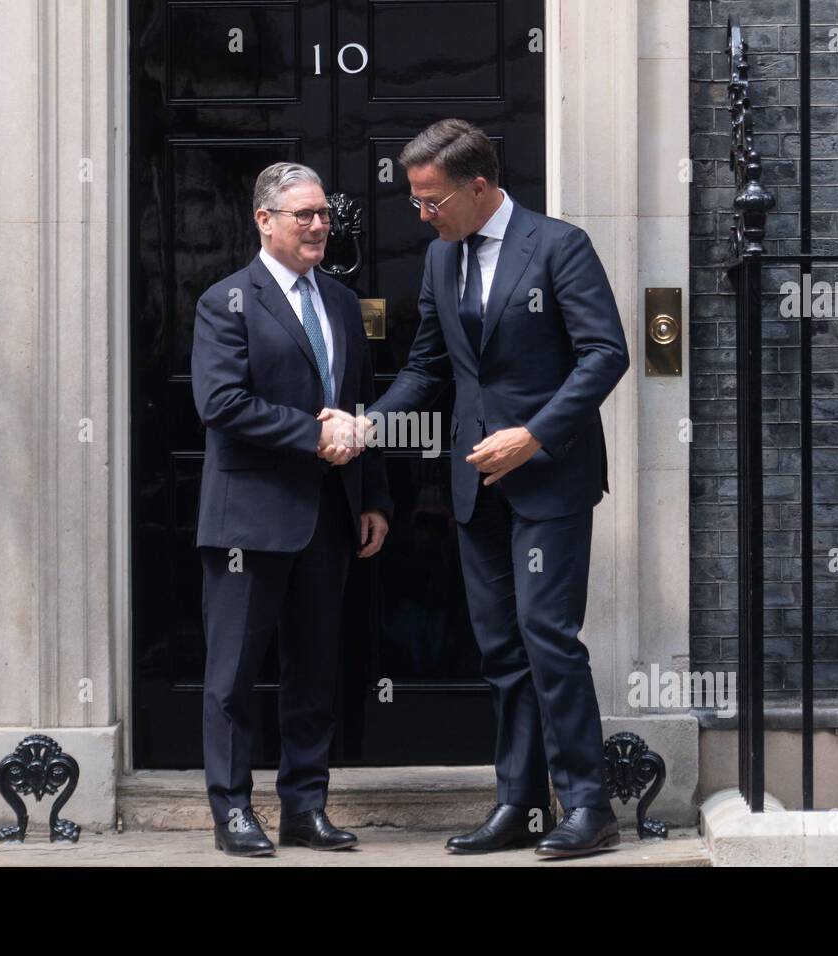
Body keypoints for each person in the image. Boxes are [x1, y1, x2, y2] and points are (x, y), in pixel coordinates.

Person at [367, 119, 630, 857]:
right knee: (501, 651)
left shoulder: (558, 246)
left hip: (547, 479)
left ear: (478, 186)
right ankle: (519, 802)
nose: (422, 213)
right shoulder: (438, 259)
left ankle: (588, 805)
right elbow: (427, 368)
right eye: (417, 201)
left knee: (548, 637)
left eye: (431, 199)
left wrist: (534, 435)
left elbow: (606, 354)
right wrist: (365, 426)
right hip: (473, 487)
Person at [191, 161, 391, 857]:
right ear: (264, 220)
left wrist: (372, 499)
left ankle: (305, 808)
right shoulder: (226, 301)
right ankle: (233, 812)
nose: (318, 225)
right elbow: (220, 403)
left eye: (324, 215)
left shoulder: (340, 301)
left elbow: (360, 404)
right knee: (234, 677)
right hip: (249, 519)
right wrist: (315, 435)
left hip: (330, 518)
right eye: (303, 215)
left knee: (315, 671)